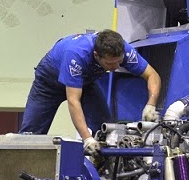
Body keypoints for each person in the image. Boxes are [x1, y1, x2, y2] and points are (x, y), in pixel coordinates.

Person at [20, 29, 161, 154]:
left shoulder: (124, 49)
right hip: (48, 84)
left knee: (106, 130)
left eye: (119, 62)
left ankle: (104, 175)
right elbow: (73, 101)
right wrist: (87, 138)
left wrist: (151, 104)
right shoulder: (77, 54)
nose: (116, 67)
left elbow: (152, 75)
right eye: (110, 64)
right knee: (30, 136)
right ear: (96, 55)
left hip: (85, 82)